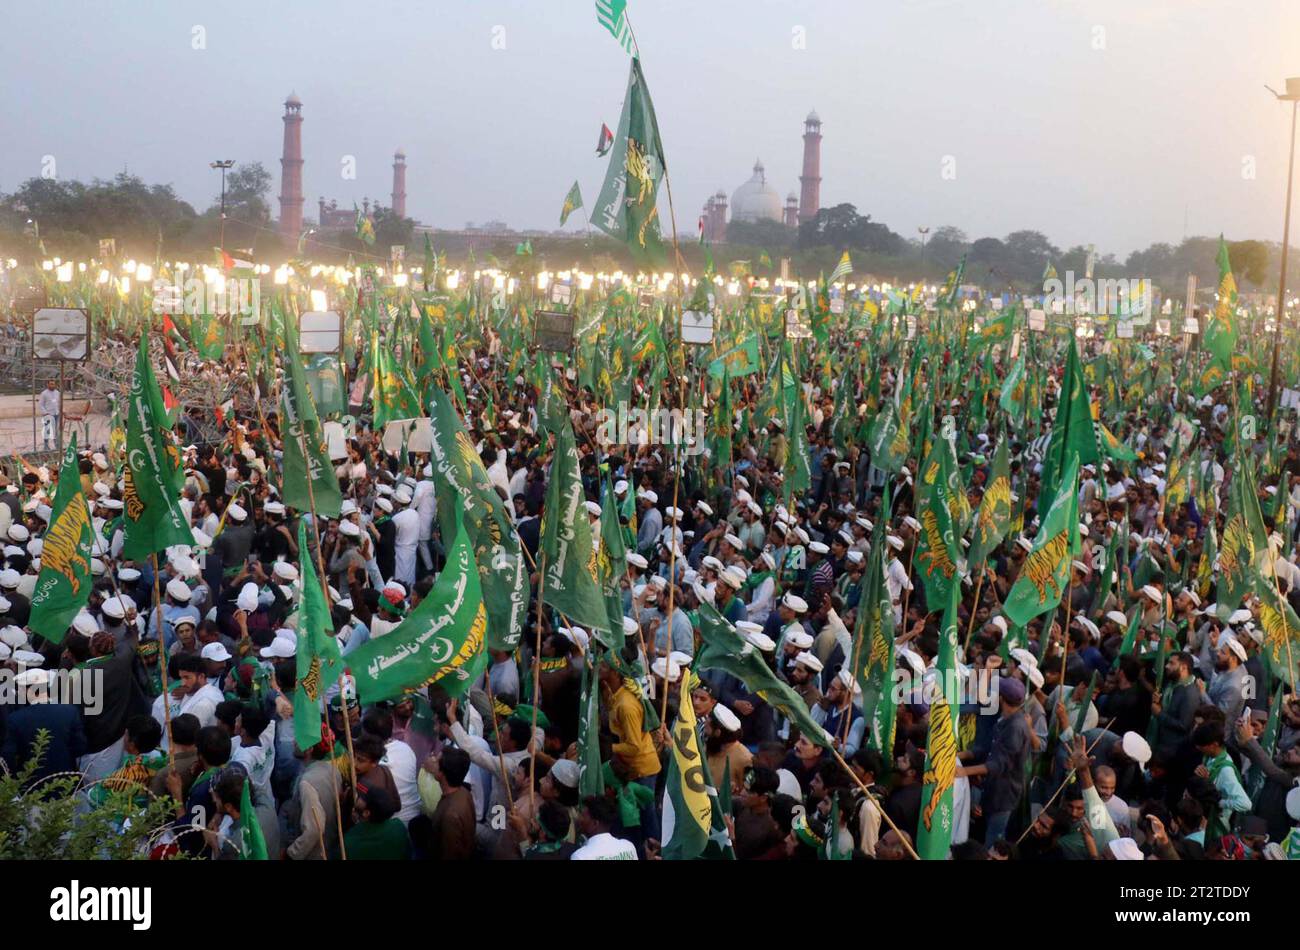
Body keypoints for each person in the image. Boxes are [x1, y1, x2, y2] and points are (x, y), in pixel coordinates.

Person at [38, 379, 60, 450]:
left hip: (56, 414)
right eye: (51, 384)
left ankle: (57, 445)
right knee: (47, 430)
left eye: (53, 384)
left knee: (55, 431)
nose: (52, 385)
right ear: (47, 384)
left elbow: (58, 403)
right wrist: (45, 413)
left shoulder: (57, 393)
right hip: (48, 415)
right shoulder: (44, 394)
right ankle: (46, 446)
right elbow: (41, 404)